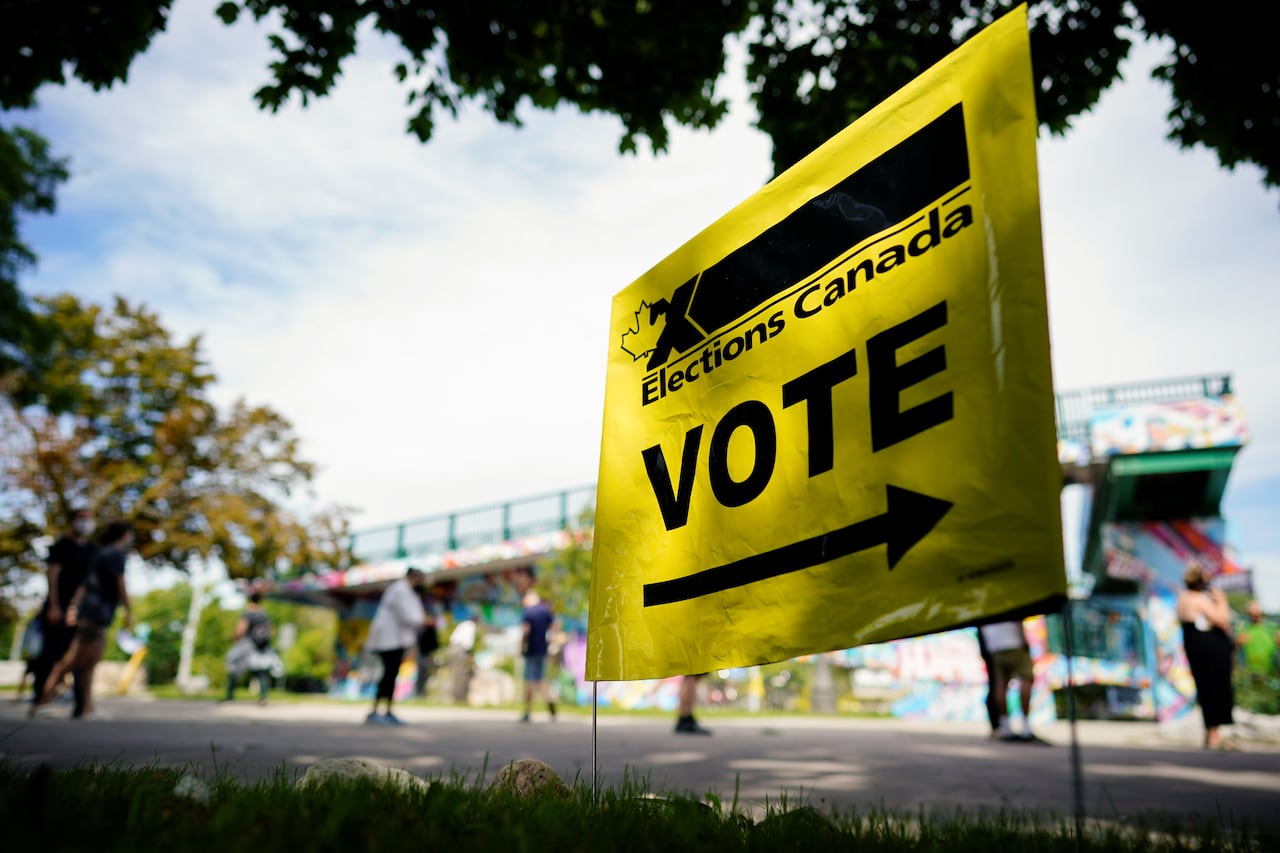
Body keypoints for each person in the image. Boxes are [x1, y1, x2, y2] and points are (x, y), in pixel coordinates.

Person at [32, 520, 133, 720]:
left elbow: (83, 585)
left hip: (91, 613)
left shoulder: (99, 553)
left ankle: (87, 707)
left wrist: (73, 608)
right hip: (96, 613)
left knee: (88, 662)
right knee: (73, 661)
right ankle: (42, 701)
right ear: (124, 535)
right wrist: (129, 610)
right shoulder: (115, 555)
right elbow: (120, 583)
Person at [30, 508, 97, 713]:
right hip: (58, 609)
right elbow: (52, 575)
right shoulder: (61, 547)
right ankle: (40, 698)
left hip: (80, 611)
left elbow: (87, 582)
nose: (85, 523)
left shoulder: (91, 550)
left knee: (79, 658)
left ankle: (80, 705)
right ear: (72, 521)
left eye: (89, 519)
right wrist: (54, 605)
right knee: (51, 654)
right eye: (81, 519)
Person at [363, 567, 434, 725]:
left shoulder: (406, 591)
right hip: (389, 639)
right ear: (414, 578)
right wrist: (426, 620)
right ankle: (376, 712)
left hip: (395, 639)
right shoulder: (400, 591)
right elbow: (410, 616)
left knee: (391, 674)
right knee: (388, 675)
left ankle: (386, 711)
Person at [1177, 563, 1236, 749]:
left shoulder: (1183, 597)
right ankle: (1213, 734)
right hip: (1209, 647)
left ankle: (1210, 732)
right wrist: (1221, 600)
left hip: (1195, 643)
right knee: (1215, 688)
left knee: (1205, 687)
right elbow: (1223, 620)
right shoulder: (1198, 598)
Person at [978, 619, 1043, 743]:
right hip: (1014, 644)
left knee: (1000, 684)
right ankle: (1025, 726)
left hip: (995, 648)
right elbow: (1017, 621)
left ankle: (1005, 726)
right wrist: (1024, 640)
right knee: (1026, 680)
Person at [222, 592, 282, 704]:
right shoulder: (265, 614)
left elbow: (241, 630)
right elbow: (272, 631)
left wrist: (232, 638)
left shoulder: (248, 614)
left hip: (247, 646)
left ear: (249, 601)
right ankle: (263, 697)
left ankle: (229, 695)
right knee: (261, 672)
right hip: (262, 648)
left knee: (234, 668)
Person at [519, 589, 557, 722]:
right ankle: (550, 705)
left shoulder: (528, 612)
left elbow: (525, 630)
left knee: (530, 681)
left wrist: (522, 646)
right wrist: (551, 644)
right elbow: (553, 628)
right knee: (542, 681)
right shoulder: (545, 612)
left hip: (531, 650)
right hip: (543, 650)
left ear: (529, 598)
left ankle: (527, 712)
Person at [414, 580, 456, 699]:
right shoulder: (426, 602)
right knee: (423, 666)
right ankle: (419, 693)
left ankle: (422, 693)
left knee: (428, 667)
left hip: (431, 638)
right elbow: (424, 619)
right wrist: (434, 621)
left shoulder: (442, 603)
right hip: (424, 638)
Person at [1236, 599, 1279, 684]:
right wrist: (1238, 643)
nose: (1254, 616)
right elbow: (1236, 648)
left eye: (1256, 613)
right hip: (1249, 671)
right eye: (1251, 613)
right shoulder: (1243, 628)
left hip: (1269, 670)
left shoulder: (1272, 627)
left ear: (1261, 613)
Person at [975, 625, 1002, 739]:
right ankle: (999, 726)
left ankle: (1000, 726)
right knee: (998, 685)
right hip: (994, 650)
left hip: (991, 650)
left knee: (998, 685)